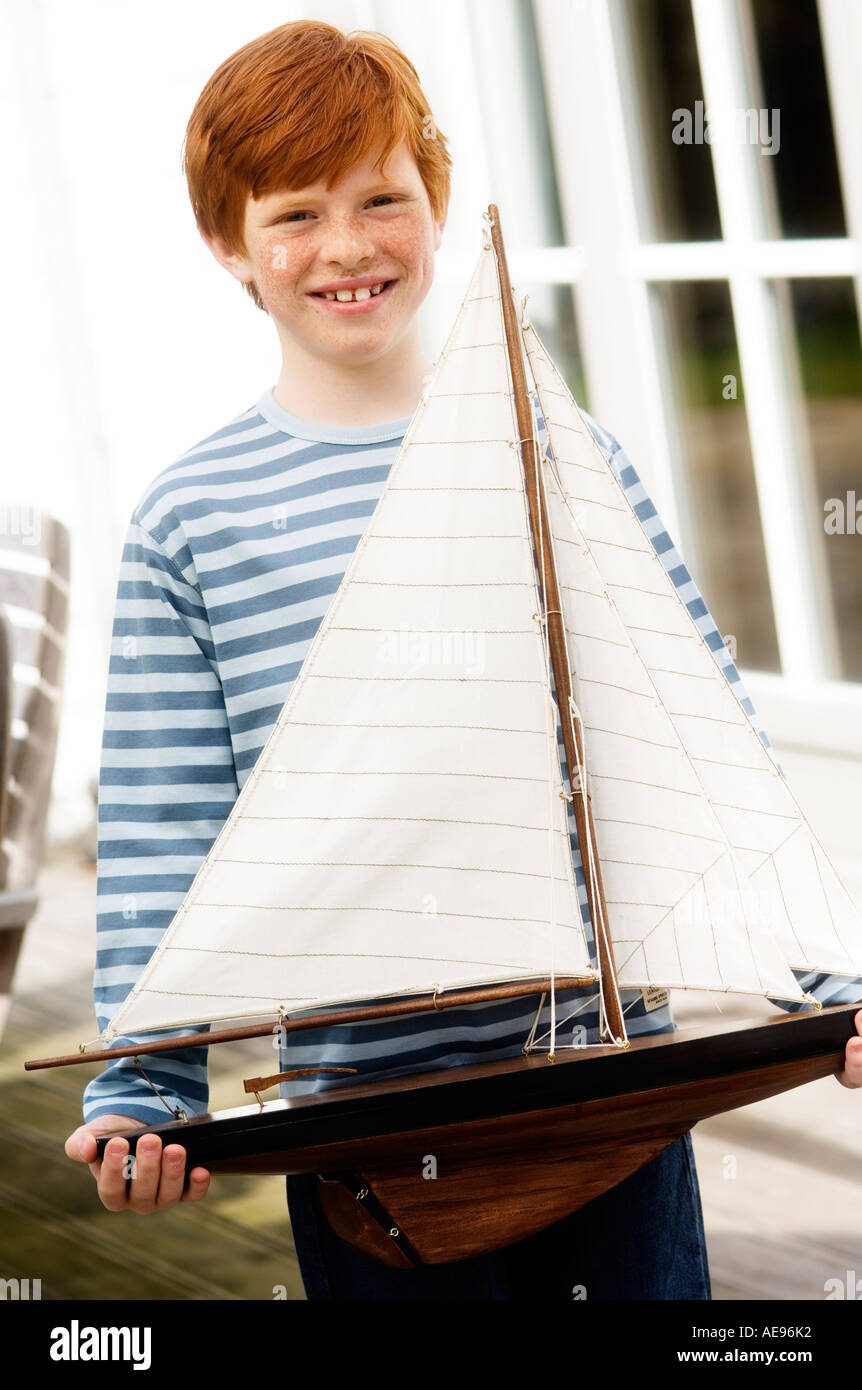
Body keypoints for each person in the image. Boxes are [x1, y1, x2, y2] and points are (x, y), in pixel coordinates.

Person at [64, 19, 862, 1300]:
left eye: (383, 197)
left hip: (609, 1100)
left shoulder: (555, 452)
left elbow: (695, 723)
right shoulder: (192, 519)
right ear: (229, 246)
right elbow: (169, 827)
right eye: (295, 214)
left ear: (435, 204)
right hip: (368, 1136)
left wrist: (833, 978)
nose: (347, 246)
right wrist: (148, 1088)